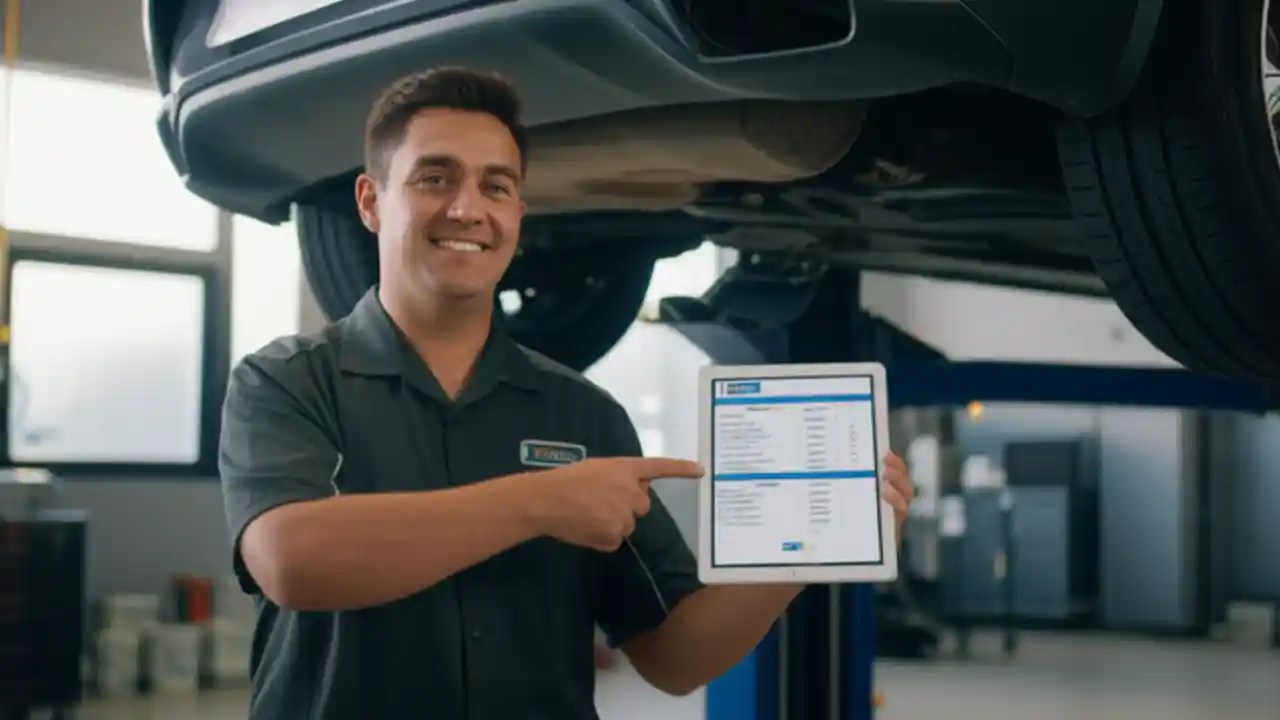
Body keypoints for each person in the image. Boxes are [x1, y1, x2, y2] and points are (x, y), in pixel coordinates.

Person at [217, 66, 916, 719]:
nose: (467, 208)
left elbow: (675, 658)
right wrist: (544, 501)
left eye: (495, 186)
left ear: (519, 211)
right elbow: (292, 562)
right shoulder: (285, 380)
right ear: (371, 202)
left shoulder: (582, 415)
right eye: (435, 178)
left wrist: (811, 547)